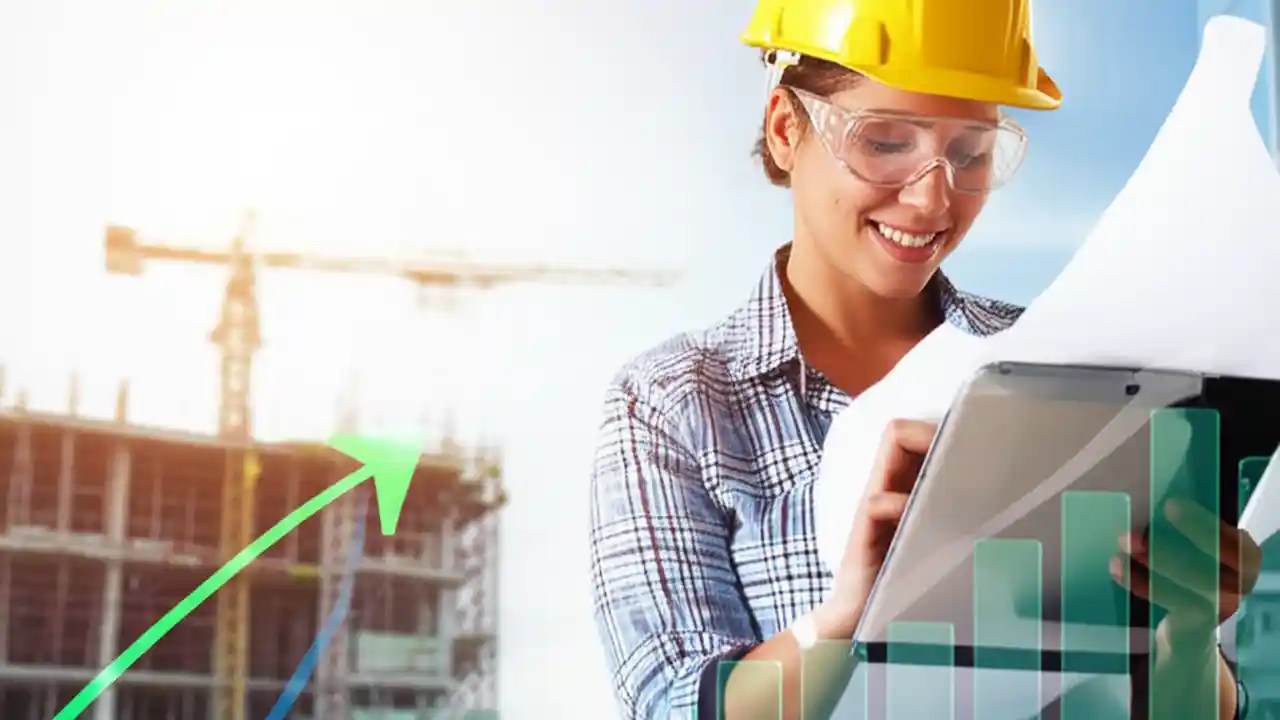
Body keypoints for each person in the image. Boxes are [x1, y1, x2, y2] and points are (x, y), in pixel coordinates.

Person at [587, 0, 1260, 718]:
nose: (933, 197)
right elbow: (670, 704)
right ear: (787, 129)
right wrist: (845, 617)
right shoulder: (676, 404)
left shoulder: (1065, 374)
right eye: (884, 142)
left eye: (970, 152)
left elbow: (1142, 702)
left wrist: (1188, 637)